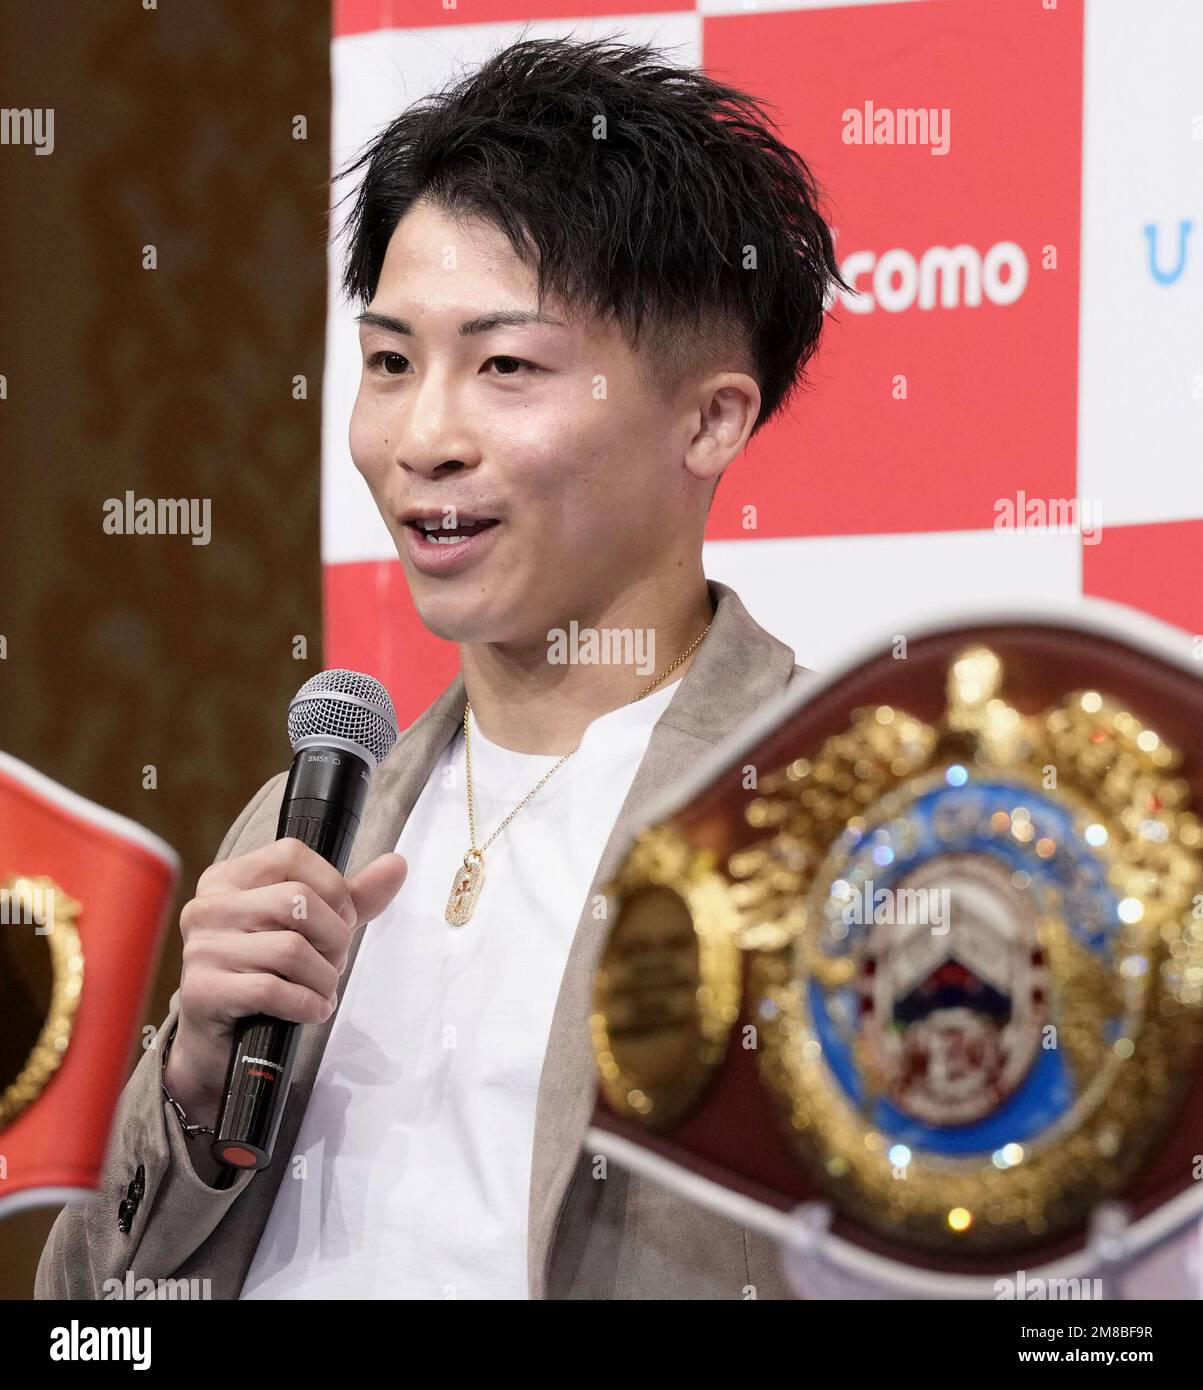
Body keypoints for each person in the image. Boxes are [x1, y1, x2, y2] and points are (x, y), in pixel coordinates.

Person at [36, 33, 846, 1300]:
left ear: (710, 418)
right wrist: (192, 1086)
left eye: (506, 366)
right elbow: (90, 1313)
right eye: (391, 362)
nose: (421, 437)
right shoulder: (309, 815)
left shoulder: (838, 826)